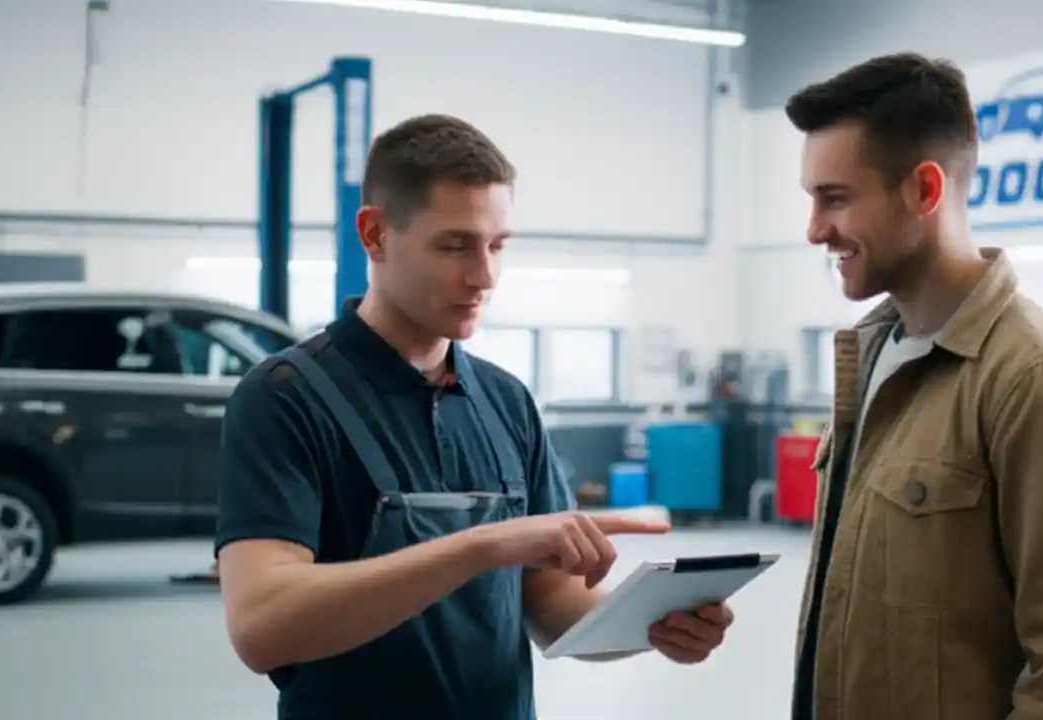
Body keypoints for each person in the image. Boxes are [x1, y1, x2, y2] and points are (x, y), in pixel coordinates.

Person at [214, 114, 736, 720]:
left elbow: (551, 602)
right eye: (455, 245)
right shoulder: (284, 398)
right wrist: (482, 544)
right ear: (376, 234)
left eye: (497, 245)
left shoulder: (506, 402)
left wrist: (651, 623)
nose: (485, 276)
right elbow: (263, 626)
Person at [785, 54, 1043, 719]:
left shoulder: (1039, 381)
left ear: (924, 190)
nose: (813, 229)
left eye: (834, 198)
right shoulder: (872, 360)